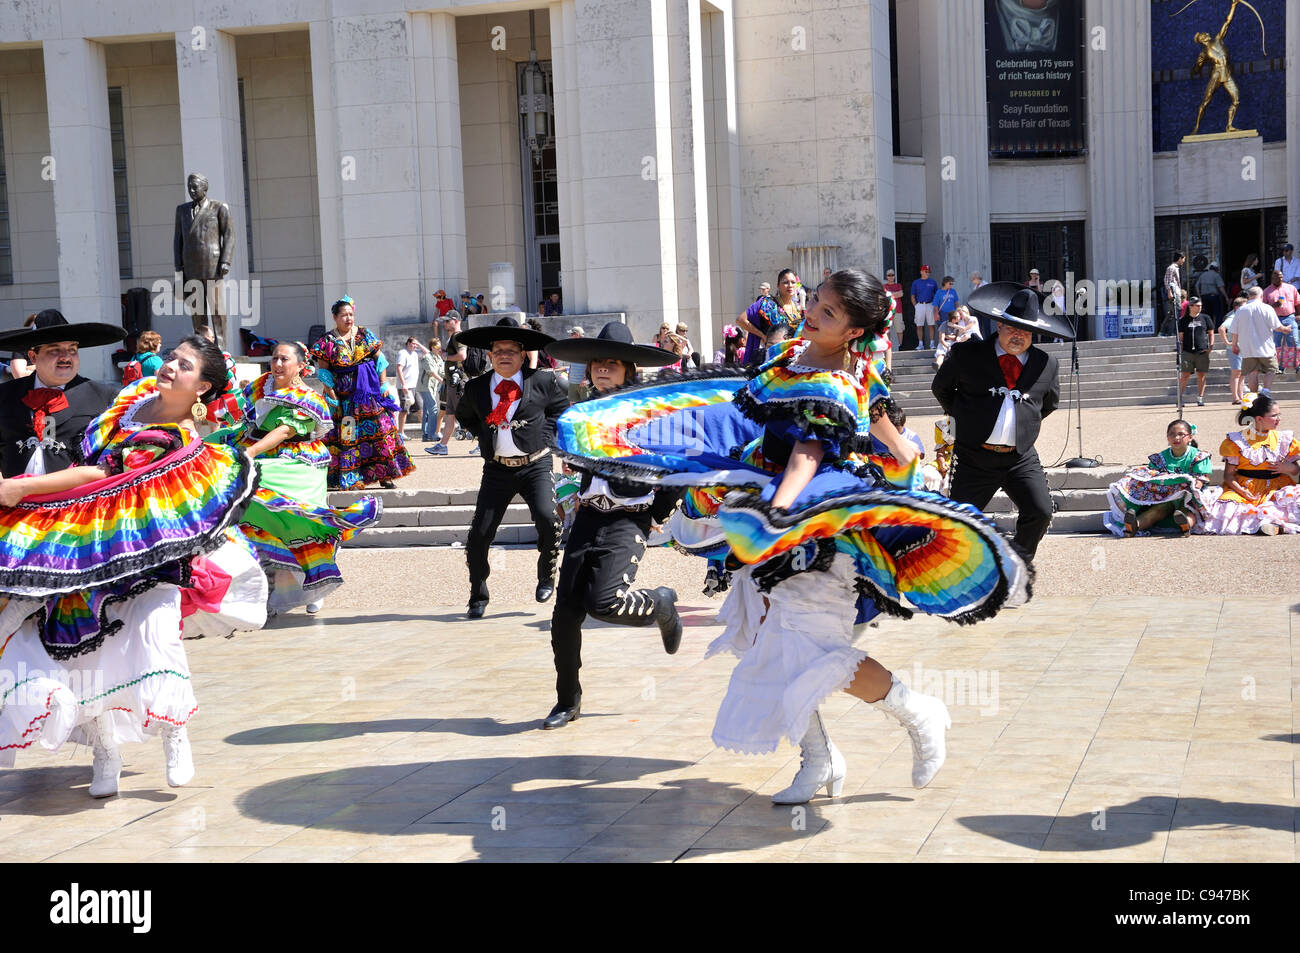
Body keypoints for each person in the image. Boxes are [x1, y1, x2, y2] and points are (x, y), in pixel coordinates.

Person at [553, 269, 1030, 803]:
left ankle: (920, 713)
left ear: (853, 330)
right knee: (763, 640)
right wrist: (903, 454)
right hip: (779, 512)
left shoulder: (830, 382)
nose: (812, 313)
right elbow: (854, 417)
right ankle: (820, 758)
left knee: (809, 650)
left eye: (828, 313)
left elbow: (810, 452)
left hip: (813, 525)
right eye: (816, 302)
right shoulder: (802, 357)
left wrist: (777, 514)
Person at [0, 336, 267, 797]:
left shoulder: (177, 434)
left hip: (145, 545)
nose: (168, 367)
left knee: (155, 629)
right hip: (91, 538)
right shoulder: (131, 399)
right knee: (85, 646)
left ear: (201, 387)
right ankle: (105, 750)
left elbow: (104, 473)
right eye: (170, 358)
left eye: (182, 365)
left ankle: (174, 730)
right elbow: (91, 460)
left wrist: (24, 489)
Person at [537, 322, 684, 728]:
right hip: (588, 516)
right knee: (565, 612)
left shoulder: (650, 416)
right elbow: (555, 441)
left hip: (627, 519)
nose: (603, 369)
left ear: (628, 371)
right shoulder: (580, 413)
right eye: (598, 363)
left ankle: (661, 603)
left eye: (613, 364)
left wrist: (656, 514)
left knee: (604, 603)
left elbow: (676, 468)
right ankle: (567, 700)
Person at [239, 341, 381, 616]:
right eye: (275, 358)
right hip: (263, 453)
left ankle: (312, 587)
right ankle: (263, 591)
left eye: (284, 359)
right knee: (249, 511)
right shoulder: (262, 385)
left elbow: (285, 430)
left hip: (298, 463)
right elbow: (240, 410)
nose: (277, 364)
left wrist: (251, 452)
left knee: (301, 523)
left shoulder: (308, 398)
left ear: (301, 366)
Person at [932, 281, 1071, 560]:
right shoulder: (967, 354)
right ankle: (962, 578)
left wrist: (1020, 425)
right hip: (974, 457)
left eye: (1026, 330)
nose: (1018, 335)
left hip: (1019, 457)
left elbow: (1048, 404)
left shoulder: (1047, 363)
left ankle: (1014, 567)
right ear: (999, 325)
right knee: (959, 524)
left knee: (1041, 511)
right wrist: (967, 418)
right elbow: (941, 389)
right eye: (1012, 327)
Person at [454, 318, 568, 619]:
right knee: (479, 534)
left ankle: (546, 572)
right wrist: (484, 435)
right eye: (498, 350)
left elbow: (560, 411)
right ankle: (478, 594)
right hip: (497, 469)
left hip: (536, 464)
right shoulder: (477, 388)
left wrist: (547, 438)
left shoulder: (543, 381)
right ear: (490, 356)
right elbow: (465, 416)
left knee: (547, 518)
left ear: (522, 354)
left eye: (511, 350)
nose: (504, 355)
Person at [0, 310, 125, 478]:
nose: (66, 357)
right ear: (33, 357)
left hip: (76, 501)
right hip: (12, 501)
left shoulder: (106, 398)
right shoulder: (5, 395)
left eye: (72, 349)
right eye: (55, 349)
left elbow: (115, 461)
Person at [310, 296, 415, 490]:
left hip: (369, 394)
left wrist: (383, 384)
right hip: (344, 397)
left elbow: (380, 360)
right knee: (348, 436)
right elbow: (324, 371)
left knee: (380, 432)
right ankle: (351, 477)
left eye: (351, 314)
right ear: (335, 317)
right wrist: (330, 393)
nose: (348, 318)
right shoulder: (326, 341)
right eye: (344, 315)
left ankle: (386, 475)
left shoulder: (365, 334)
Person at [1199, 395, 1300, 535]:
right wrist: (1242, 491)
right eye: (1274, 415)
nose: (1279, 419)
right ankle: (1269, 525)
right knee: (1228, 507)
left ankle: (1274, 525)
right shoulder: (1237, 441)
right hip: (1245, 486)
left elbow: (1296, 471)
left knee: (1289, 501)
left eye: (1279, 415)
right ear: (1259, 419)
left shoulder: (1284, 439)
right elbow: (1228, 475)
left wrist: (1288, 468)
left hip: (1276, 487)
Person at [1104, 419, 1212, 537]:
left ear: (1190, 437)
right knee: (1158, 510)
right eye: (1172, 434)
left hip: (1190, 496)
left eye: (1181, 434)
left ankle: (1185, 525)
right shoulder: (1161, 457)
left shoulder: (1199, 456)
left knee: (1187, 509)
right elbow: (1151, 475)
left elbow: (1200, 479)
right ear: (1167, 437)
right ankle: (1134, 525)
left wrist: (1193, 486)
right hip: (1167, 495)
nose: (1176, 438)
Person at [173, 172, 235, 345]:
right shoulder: (182, 210)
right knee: (197, 310)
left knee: (217, 309)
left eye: (195, 186)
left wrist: (225, 261)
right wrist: (178, 266)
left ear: (205, 188)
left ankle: (221, 346)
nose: (192, 190)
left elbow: (229, 235)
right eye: (189, 187)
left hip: (213, 265)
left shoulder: (219, 207)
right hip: (191, 267)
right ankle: (200, 345)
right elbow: (178, 239)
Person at [737, 269, 803, 366]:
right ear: (778, 286)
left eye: (793, 282)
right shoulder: (767, 303)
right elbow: (741, 320)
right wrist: (763, 336)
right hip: (771, 357)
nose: (790, 285)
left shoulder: (798, 308)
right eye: (785, 282)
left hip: (792, 358)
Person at [1230, 286, 1283, 395]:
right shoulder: (1267, 308)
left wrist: (1234, 345)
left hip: (1248, 348)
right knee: (1271, 370)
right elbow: (1277, 327)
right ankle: (1266, 390)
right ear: (1262, 296)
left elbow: (1234, 331)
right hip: (1266, 348)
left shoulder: (1240, 310)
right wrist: (1286, 329)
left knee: (1252, 372)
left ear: (1248, 296)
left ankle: (1254, 396)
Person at [427, 312, 468, 456]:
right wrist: (445, 353)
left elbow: (463, 355)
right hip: (452, 382)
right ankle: (442, 445)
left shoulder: (458, 336)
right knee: (450, 415)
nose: (444, 324)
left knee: (466, 414)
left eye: (447, 321)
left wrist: (446, 356)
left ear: (455, 321)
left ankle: (483, 443)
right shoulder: (455, 337)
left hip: (457, 382)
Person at [1177, 296, 1216, 407]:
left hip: (1202, 350)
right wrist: (1180, 350)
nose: (1200, 308)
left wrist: (1211, 346)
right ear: (1191, 306)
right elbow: (1181, 337)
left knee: (1201, 375)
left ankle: (1200, 398)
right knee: (1185, 375)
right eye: (1197, 306)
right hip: (1187, 351)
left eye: (1200, 306)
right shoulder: (1183, 320)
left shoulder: (1205, 318)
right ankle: (1180, 398)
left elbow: (1211, 332)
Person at [1262, 269, 1300, 369]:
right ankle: (1279, 366)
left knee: (1294, 341)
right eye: (1278, 277)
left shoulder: (1291, 288)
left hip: (1290, 317)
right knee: (1276, 344)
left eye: (1281, 277)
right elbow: (1263, 309)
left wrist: (1299, 315)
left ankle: (1297, 365)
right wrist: (1273, 305)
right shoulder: (1266, 291)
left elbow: (1298, 303)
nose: (1280, 279)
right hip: (1274, 319)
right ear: (1272, 278)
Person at [934, 304, 982, 370]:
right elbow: (959, 334)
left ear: (965, 312)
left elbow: (964, 329)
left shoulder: (973, 318)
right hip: (966, 341)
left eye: (961, 314)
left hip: (975, 339)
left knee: (967, 336)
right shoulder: (960, 322)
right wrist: (958, 338)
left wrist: (953, 325)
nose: (960, 316)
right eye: (959, 315)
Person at [396, 337, 428, 435]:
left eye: (415, 344)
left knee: (421, 408)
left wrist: (419, 344)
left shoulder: (415, 353)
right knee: (404, 410)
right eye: (412, 344)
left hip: (415, 386)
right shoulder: (403, 353)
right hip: (405, 387)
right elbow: (399, 368)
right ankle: (401, 433)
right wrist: (404, 384)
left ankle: (426, 432)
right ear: (407, 344)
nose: (414, 346)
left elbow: (428, 353)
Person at [1220, 296, 1246, 404]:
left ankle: (1240, 396)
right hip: (1235, 349)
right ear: (1236, 307)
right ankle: (1236, 397)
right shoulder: (1233, 317)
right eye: (1244, 306)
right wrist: (1227, 342)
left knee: (1242, 374)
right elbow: (1221, 328)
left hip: (1243, 348)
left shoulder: (1241, 317)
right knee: (1236, 372)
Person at [420, 338, 445, 442]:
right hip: (425, 387)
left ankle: (425, 435)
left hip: (434, 387)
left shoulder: (439, 358)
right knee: (433, 408)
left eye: (439, 347)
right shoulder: (427, 357)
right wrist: (442, 381)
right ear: (431, 347)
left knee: (426, 411)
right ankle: (432, 434)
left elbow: (442, 372)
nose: (438, 349)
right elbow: (431, 372)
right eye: (436, 347)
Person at [910, 264, 939, 350]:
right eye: (925, 271)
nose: (927, 273)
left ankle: (932, 344)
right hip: (920, 305)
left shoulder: (933, 282)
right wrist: (916, 306)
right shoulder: (916, 282)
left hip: (930, 304)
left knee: (931, 325)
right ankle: (920, 344)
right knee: (919, 325)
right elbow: (912, 296)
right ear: (921, 272)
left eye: (928, 272)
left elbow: (937, 295)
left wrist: (935, 305)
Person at [1196, 261, 1227, 327]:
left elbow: (1196, 286)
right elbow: (1221, 287)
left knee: (1207, 314)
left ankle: (1208, 328)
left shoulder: (1202, 275)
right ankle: (1217, 328)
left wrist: (1199, 296)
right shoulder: (1216, 275)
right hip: (1214, 297)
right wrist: (1226, 297)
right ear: (1216, 268)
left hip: (1204, 297)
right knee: (1218, 313)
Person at [1161, 252, 1185, 337]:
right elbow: (1167, 280)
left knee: (1173, 313)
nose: (1183, 261)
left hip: (1177, 292)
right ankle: (1169, 331)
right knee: (1175, 312)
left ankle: (1166, 331)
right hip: (1173, 293)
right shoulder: (1171, 268)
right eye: (1183, 259)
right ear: (1180, 258)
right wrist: (1169, 292)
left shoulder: (1176, 268)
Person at [883, 269, 905, 349]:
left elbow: (901, 294)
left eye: (892, 275)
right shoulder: (884, 286)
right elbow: (884, 297)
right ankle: (888, 347)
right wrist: (895, 294)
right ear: (886, 277)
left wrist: (890, 294)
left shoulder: (898, 285)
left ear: (894, 276)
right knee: (887, 329)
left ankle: (900, 346)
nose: (891, 277)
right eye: (889, 275)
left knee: (899, 329)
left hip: (898, 310)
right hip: (888, 311)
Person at [564, 326, 587, 401]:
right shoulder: (573, 347)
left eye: (571, 334)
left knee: (585, 405)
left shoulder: (587, 347)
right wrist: (569, 375)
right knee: (572, 404)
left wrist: (585, 379)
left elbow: (590, 364)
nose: (570, 336)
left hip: (583, 383)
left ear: (577, 335)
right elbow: (572, 363)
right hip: (573, 381)